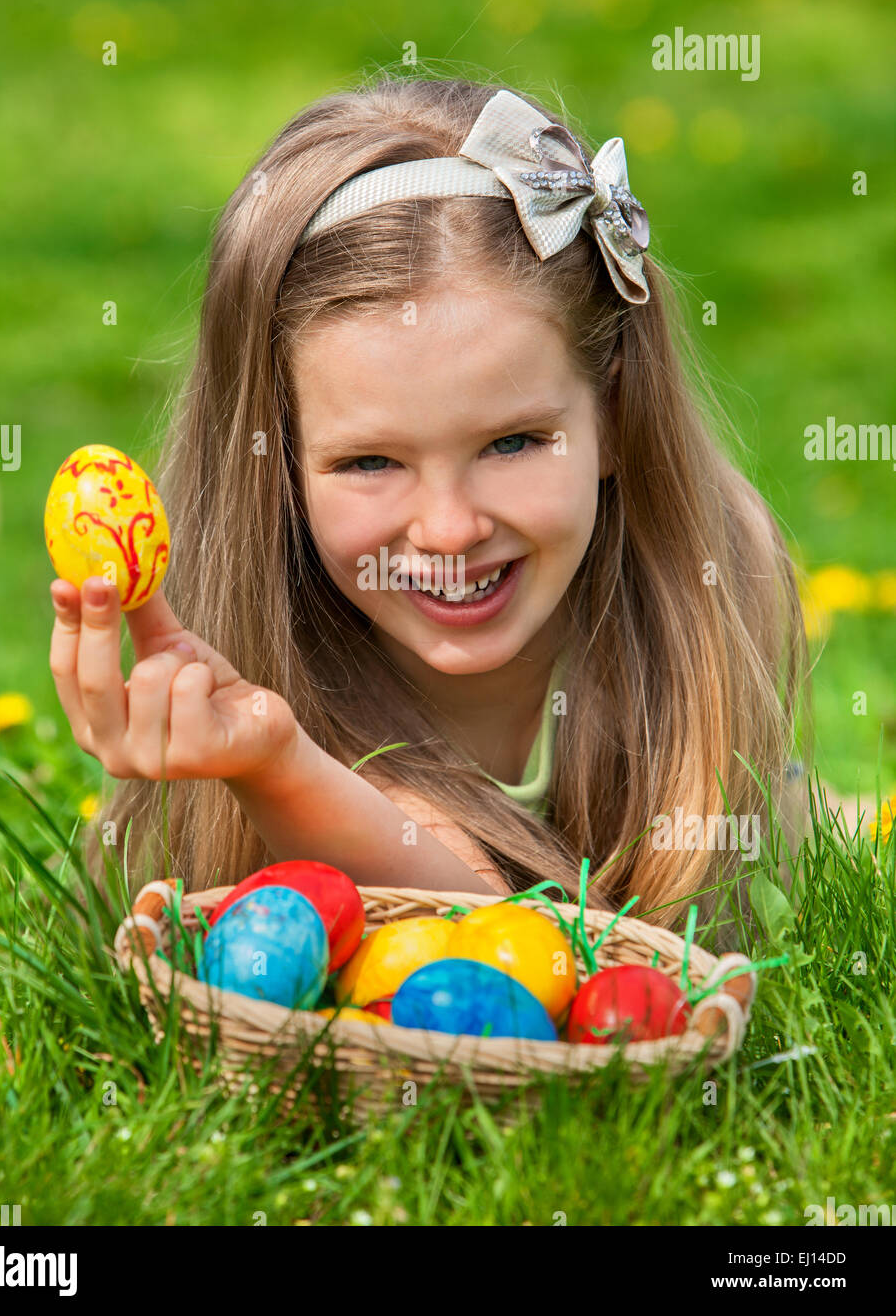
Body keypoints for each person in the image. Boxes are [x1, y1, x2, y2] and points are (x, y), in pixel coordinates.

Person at [49, 74, 813, 945]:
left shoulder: (713, 576)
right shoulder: (256, 661)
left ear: (613, 405)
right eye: (370, 461)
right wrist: (275, 765)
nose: (449, 530)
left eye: (514, 442)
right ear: (276, 464)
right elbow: (490, 943)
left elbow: (583, 970)